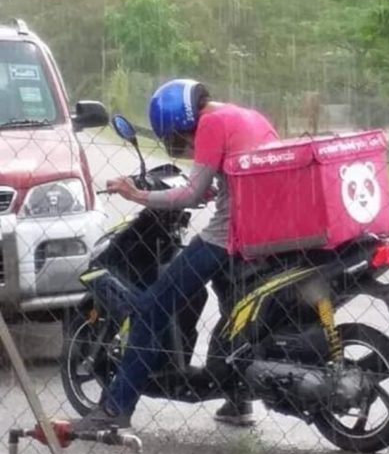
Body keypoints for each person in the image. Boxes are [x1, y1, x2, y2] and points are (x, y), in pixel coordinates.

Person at [72, 79, 280, 432]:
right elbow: (244, 172)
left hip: (228, 236)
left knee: (152, 309)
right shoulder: (247, 116)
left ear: (180, 122)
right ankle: (237, 397)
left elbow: (188, 194)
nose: (181, 145)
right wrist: (219, 187)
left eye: (175, 137)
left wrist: (136, 194)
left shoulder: (211, 124)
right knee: (230, 300)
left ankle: (115, 408)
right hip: (266, 232)